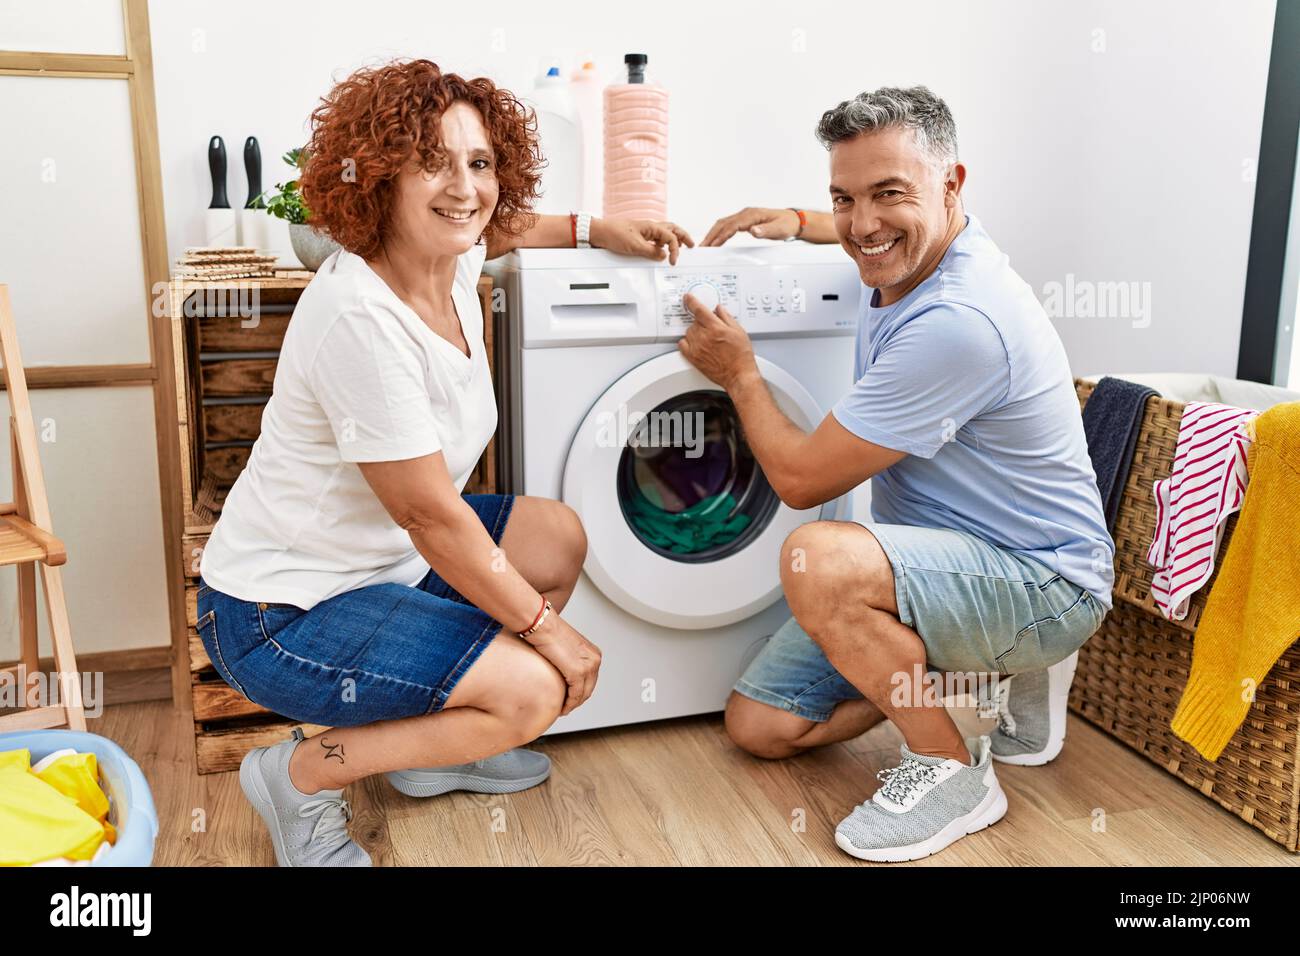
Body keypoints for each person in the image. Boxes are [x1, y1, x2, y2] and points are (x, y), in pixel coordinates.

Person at [196, 58, 694, 866]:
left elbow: (498, 228)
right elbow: (430, 515)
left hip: (381, 568)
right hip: (280, 612)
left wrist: (593, 228)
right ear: (380, 180)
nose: (464, 186)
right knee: (534, 689)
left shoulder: (449, 257)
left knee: (556, 536)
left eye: (480, 161)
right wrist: (547, 634)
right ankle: (297, 775)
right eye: (432, 162)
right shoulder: (360, 315)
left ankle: (437, 752)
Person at [681, 86, 1114, 862]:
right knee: (763, 727)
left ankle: (952, 767)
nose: (862, 224)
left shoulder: (960, 323)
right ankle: (963, 686)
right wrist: (800, 221)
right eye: (844, 198)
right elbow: (871, 227)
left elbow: (800, 482)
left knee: (818, 555)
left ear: (952, 185)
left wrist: (739, 374)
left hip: (1043, 582)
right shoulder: (922, 252)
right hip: (949, 565)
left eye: (889, 194)